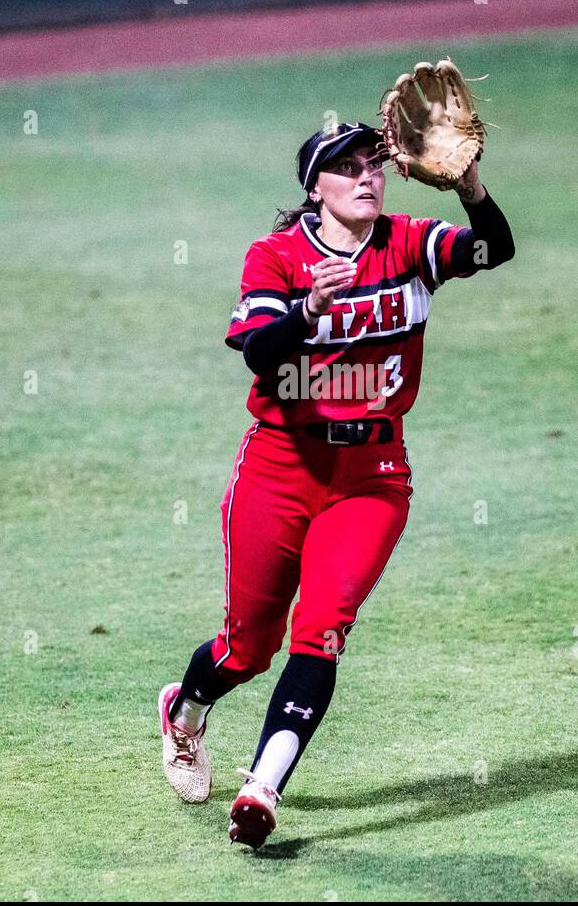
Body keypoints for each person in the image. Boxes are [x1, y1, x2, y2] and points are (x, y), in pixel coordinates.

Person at [157, 121, 515, 848]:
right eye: (345, 167)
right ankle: (184, 711)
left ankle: (262, 790)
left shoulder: (409, 242)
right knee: (245, 650)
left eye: (373, 164)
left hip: (373, 477)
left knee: (322, 629)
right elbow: (258, 350)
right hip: (281, 468)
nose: (367, 176)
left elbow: (493, 248)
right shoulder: (278, 256)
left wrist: (473, 188)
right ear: (314, 188)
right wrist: (309, 310)